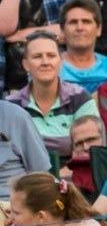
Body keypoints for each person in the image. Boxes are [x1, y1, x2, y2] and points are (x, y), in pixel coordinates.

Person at [6, 33, 84, 169]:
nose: (45, 62)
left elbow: (91, 145)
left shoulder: (81, 97)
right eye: (37, 57)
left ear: (61, 61)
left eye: (51, 56)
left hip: (73, 176)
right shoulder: (10, 106)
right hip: (27, 180)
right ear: (25, 64)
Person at [54, 0, 107, 93]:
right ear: (62, 30)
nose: (80, 28)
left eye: (86, 22)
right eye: (73, 22)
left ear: (99, 29)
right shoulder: (49, 68)